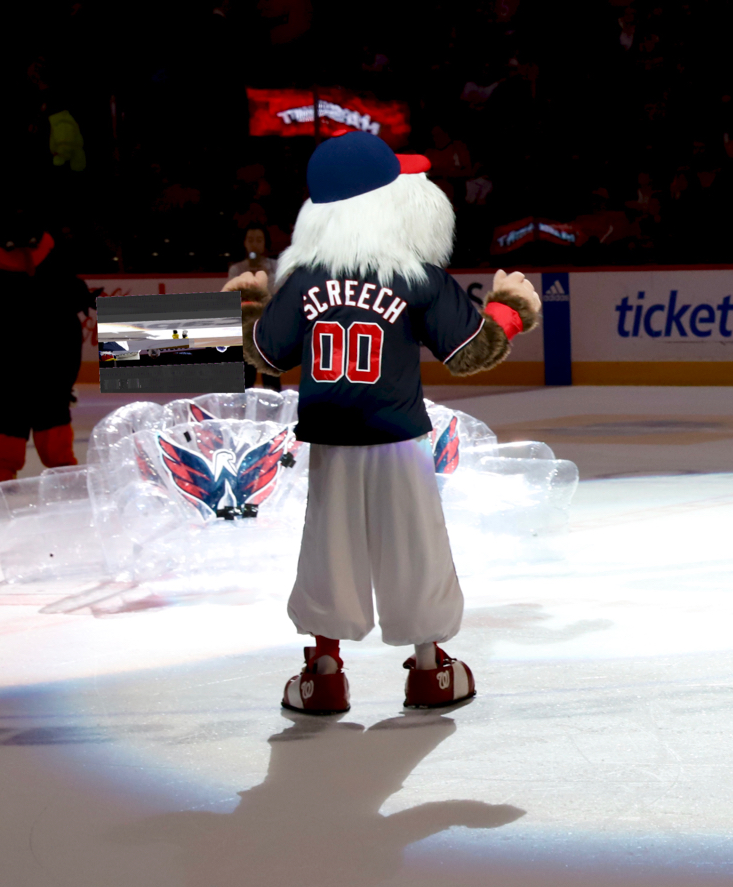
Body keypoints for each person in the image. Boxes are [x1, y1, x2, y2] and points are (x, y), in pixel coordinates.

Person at [228, 130, 540, 714]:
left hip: (331, 442)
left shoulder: (304, 279)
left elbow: (264, 356)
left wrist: (248, 306)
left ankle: (323, 673)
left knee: (329, 547)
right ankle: (430, 670)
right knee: (414, 543)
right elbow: (471, 351)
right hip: (397, 435)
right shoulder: (415, 276)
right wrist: (511, 308)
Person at [0, 211, 90, 492]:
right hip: (16, 369)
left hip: (39, 367)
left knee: (47, 415)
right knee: (14, 416)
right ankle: (5, 466)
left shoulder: (52, 270)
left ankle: (56, 466)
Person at [226, 225, 280, 389]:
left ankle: (274, 410)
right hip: (245, 328)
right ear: (244, 243)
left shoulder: (275, 267)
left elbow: (276, 294)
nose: (254, 244)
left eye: (259, 240)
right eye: (251, 240)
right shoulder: (236, 269)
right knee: (246, 377)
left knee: (271, 376)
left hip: (269, 326)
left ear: (265, 243)